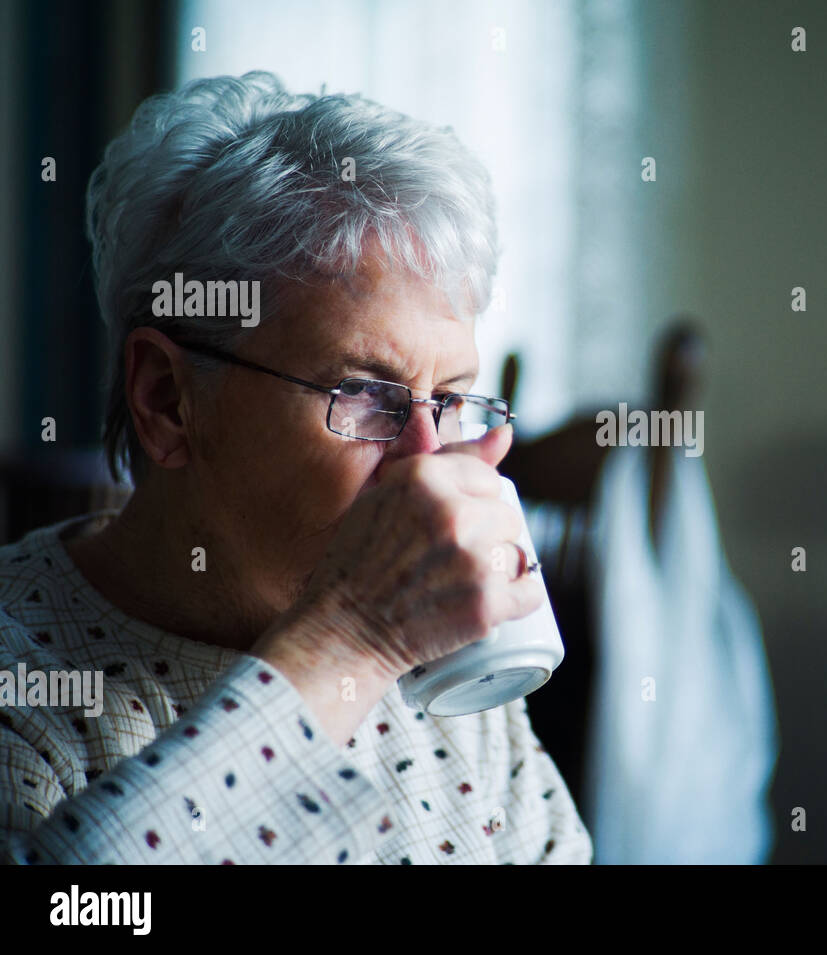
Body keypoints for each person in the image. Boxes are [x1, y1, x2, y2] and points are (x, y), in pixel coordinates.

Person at [0, 71, 592, 864]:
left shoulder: (450, 663)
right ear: (169, 400)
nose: (426, 465)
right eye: (366, 396)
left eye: (449, 399)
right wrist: (351, 637)